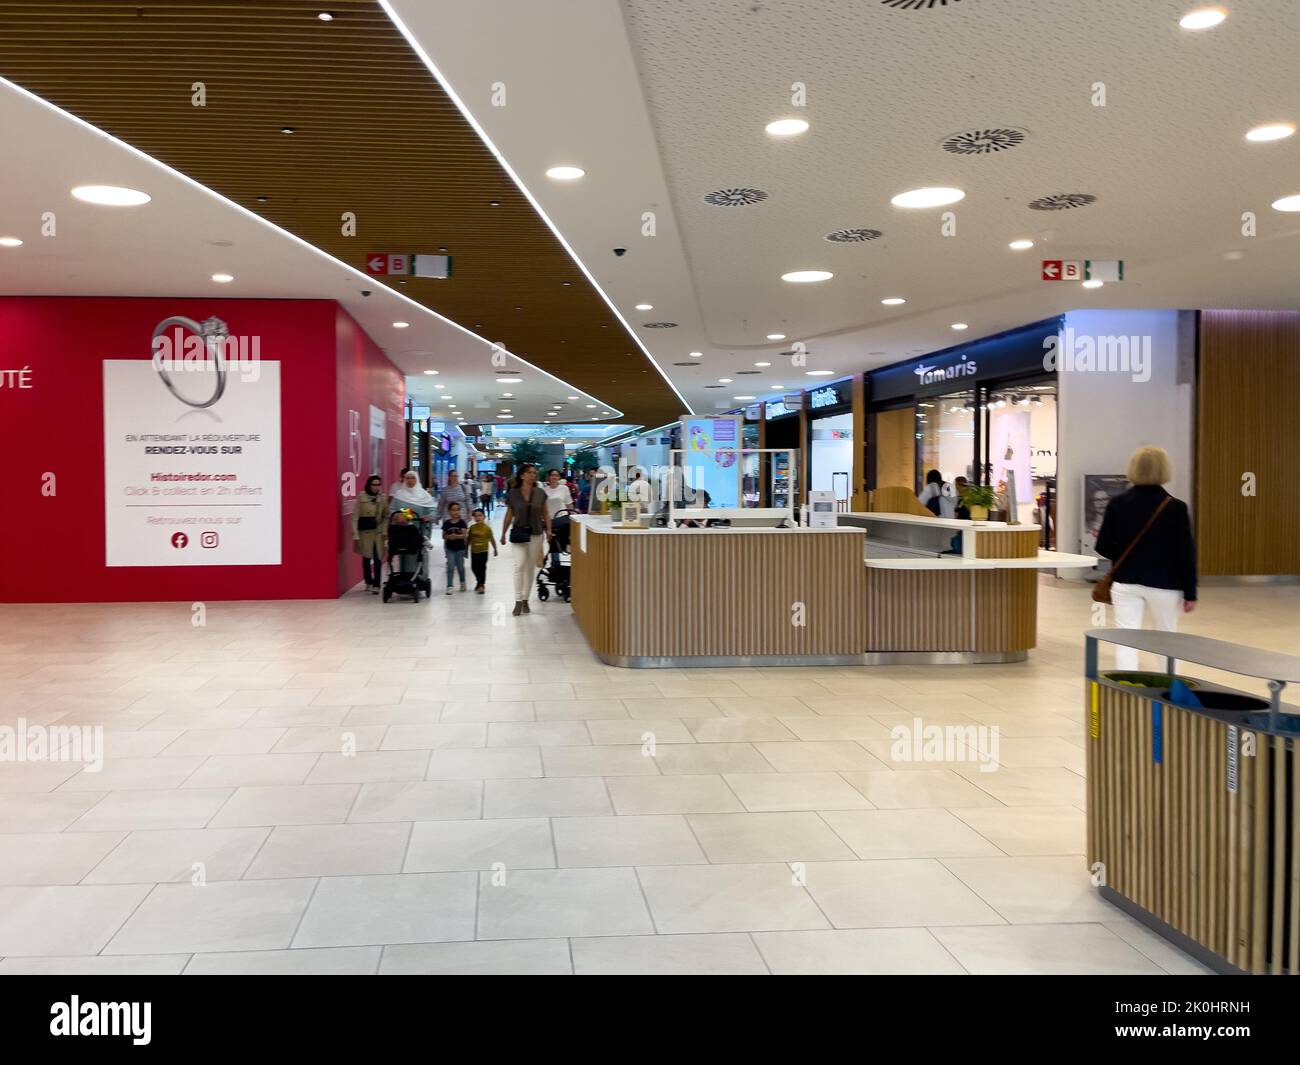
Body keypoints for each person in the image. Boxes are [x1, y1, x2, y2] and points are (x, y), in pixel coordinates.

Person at [1095, 445, 1197, 671]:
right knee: (1166, 638)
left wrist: (1124, 555)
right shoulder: (1176, 508)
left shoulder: (1117, 504)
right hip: (1166, 584)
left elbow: (1102, 546)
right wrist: (1191, 591)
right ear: (1164, 470)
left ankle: (1127, 686)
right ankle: (1169, 687)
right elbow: (1186, 553)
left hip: (1125, 581)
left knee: (1126, 640)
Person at [500, 463, 552, 616]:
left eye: (534, 473)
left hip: (536, 534)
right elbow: (509, 515)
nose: (532, 475)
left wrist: (548, 530)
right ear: (522, 475)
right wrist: (503, 533)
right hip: (518, 533)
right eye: (529, 473)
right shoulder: (513, 494)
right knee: (519, 565)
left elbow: (546, 514)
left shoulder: (540, 493)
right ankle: (517, 600)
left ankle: (525, 599)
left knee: (529, 568)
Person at [390, 470, 436, 577]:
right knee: (405, 554)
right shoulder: (399, 494)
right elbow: (392, 509)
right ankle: (405, 578)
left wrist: (428, 517)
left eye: (413, 478)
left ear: (417, 479)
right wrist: (397, 516)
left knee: (419, 555)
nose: (410, 480)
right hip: (403, 532)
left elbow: (433, 510)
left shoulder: (424, 495)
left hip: (419, 532)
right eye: (408, 478)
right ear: (404, 479)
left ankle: (420, 579)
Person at [351, 475, 388, 595]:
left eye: (378, 485)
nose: (376, 487)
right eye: (374, 484)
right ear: (369, 484)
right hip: (365, 533)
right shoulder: (361, 497)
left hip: (377, 533)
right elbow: (355, 517)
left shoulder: (382, 498)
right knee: (366, 558)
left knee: (378, 559)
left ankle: (377, 584)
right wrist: (355, 534)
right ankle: (368, 581)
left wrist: (384, 530)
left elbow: (386, 516)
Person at [467, 507, 498, 594]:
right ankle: (479, 581)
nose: (478, 518)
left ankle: (481, 585)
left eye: (480, 516)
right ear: (473, 518)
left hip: (483, 551)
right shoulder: (472, 528)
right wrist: (466, 549)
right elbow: (469, 539)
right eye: (476, 516)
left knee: (482, 568)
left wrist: (495, 549)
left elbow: (491, 539)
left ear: (484, 517)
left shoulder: (487, 528)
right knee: (474, 567)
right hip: (474, 551)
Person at [441, 501, 469, 595]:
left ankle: (462, 582)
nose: (455, 512)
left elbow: (464, 535)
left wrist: (456, 536)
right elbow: (443, 536)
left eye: (457, 510)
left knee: (460, 567)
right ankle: (449, 586)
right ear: (449, 511)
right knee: (450, 567)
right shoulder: (447, 523)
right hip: (450, 549)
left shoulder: (462, 523)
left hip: (460, 549)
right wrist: (449, 537)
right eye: (453, 510)